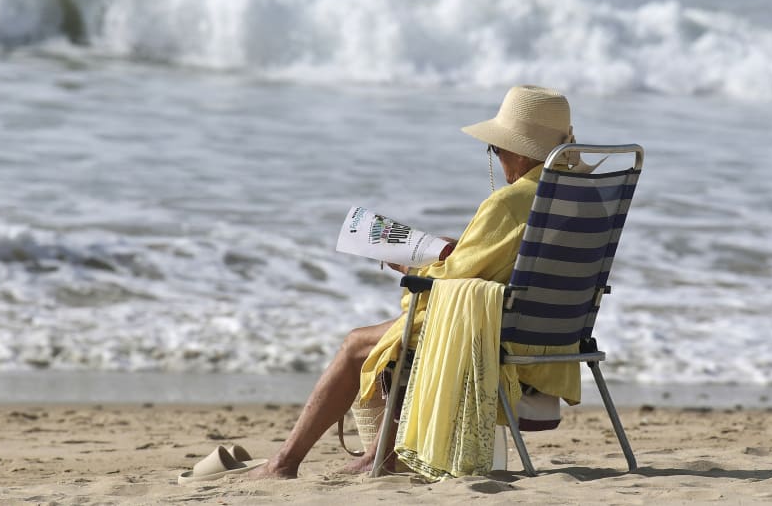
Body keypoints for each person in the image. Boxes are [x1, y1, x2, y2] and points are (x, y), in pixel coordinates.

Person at [250, 85, 588, 479]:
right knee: (398, 334)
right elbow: (527, 264)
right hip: (555, 336)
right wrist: (457, 250)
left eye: (496, 149)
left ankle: (283, 463)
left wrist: (410, 268)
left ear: (517, 150)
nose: (496, 158)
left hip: (499, 336)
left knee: (358, 343)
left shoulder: (510, 203)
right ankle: (379, 454)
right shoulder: (579, 195)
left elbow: (449, 282)